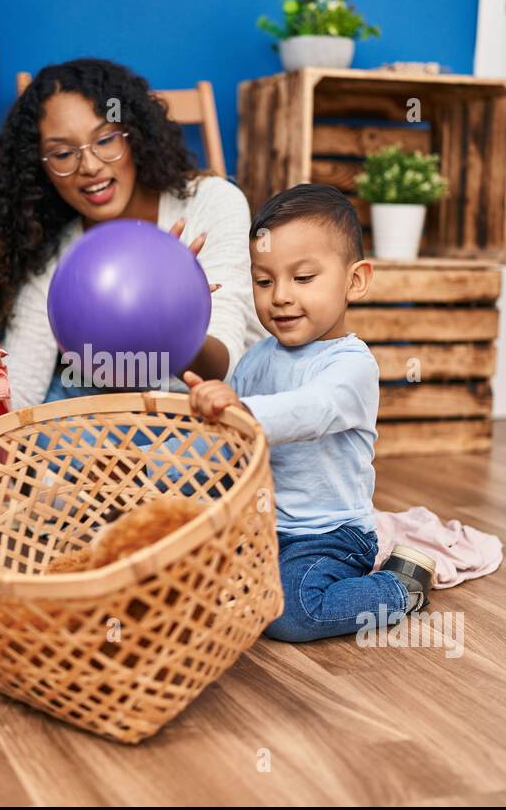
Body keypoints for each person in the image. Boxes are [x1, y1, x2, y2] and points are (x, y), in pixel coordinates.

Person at [0, 58, 261, 410]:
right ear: (37, 168)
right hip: (112, 416)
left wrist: (172, 320)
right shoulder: (56, 251)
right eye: (62, 153)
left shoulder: (209, 203)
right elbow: (18, 401)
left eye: (105, 139)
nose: (89, 166)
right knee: (60, 404)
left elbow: (225, 370)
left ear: (135, 135)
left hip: (213, 408)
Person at [183, 184, 436, 642]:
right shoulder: (256, 358)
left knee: (294, 613)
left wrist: (238, 408)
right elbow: (228, 443)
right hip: (259, 526)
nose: (279, 296)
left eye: (302, 279)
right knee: (190, 584)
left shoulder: (351, 365)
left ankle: (399, 588)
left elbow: (310, 411)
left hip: (330, 535)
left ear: (354, 281)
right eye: (264, 281)